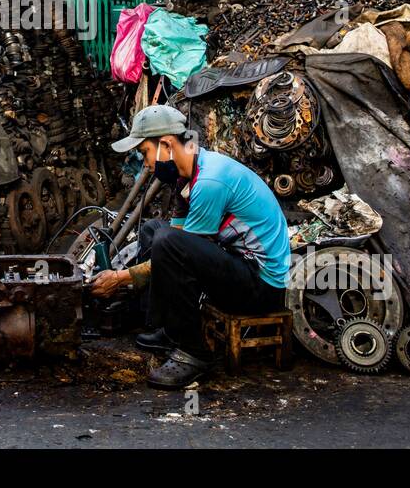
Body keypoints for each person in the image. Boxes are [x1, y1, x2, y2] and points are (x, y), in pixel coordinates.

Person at [91, 104, 290, 389]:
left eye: (145, 153)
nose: (146, 163)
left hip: (261, 286)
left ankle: (194, 352)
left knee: (167, 243)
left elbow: (178, 249)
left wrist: (122, 277)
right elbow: (177, 235)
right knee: (153, 230)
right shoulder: (190, 173)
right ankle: (169, 329)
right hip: (237, 263)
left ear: (167, 145)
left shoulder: (210, 181)